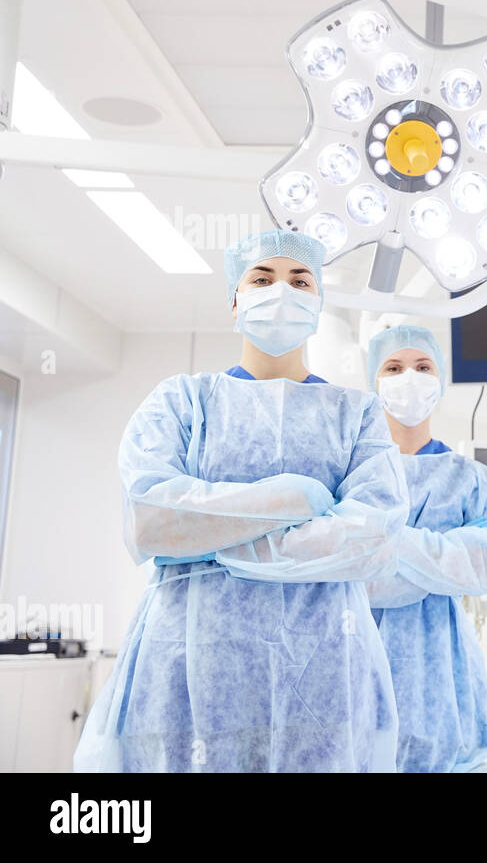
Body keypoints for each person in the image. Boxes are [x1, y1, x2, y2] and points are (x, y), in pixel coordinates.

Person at [74, 230, 409, 773]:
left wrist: (223, 544)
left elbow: (374, 538)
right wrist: (297, 500)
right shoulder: (182, 401)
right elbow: (152, 517)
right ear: (235, 300)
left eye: (300, 281)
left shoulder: (358, 414)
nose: (281, 291)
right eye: (262, 278)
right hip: (188, 663)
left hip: (321, 669)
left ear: (318, 304)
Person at [363, 325, 487, 772]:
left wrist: (384, 541)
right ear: (372, 381)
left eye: (423, 366)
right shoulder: (353, 475)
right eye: (393, 367)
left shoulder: (474, 480)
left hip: (444, 674)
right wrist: (445, 558)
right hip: (357, 658)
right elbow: (337, 562)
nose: (409, 378)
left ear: (441, 380)